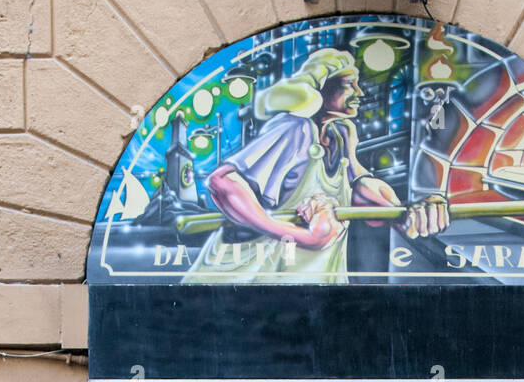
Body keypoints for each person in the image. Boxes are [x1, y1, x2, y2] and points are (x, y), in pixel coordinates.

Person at [184, 47, 449, 283]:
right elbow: (222, 182)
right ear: (321, 90)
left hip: (312, 284)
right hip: (249, 282)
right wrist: (296, 235)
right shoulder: (295, 129)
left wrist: (404, 212)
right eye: (349, 85)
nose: (359, 92)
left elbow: (360, 186)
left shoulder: (343, 132)